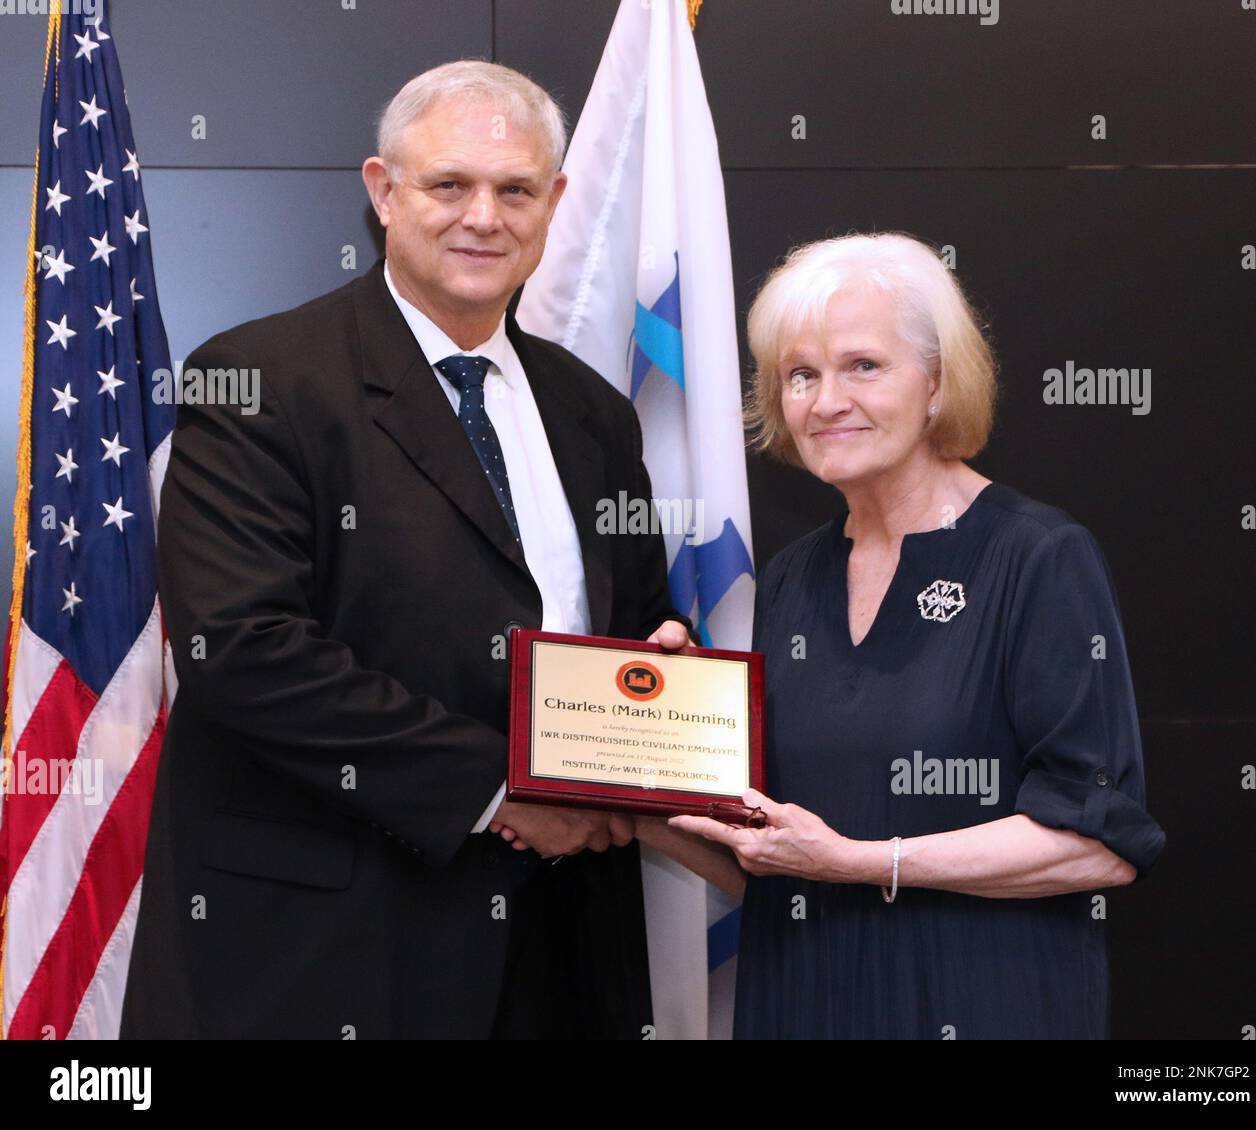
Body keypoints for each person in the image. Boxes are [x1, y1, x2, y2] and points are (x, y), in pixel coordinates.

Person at [121, 60, 690, 1039]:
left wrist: (654, 694)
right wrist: (501, 784)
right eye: (448, 185)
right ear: (382, 191)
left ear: (553, 204)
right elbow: (245, 652)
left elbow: (628, 631)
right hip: (332, 950)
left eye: (515, 190)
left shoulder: (591, 413)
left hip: (558, 949)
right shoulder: (252, 379)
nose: (483, 216)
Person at [638, 232, 1166, 1039]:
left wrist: (864, 861)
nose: (825, 400)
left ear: (937, 384)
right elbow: (776, 858)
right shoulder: (789, 580)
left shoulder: (1040, 558)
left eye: (863, 366)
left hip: (980, 1002)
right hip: (805, 1000)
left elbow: (1098, 846)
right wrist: (637, 777)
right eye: (800, 375)